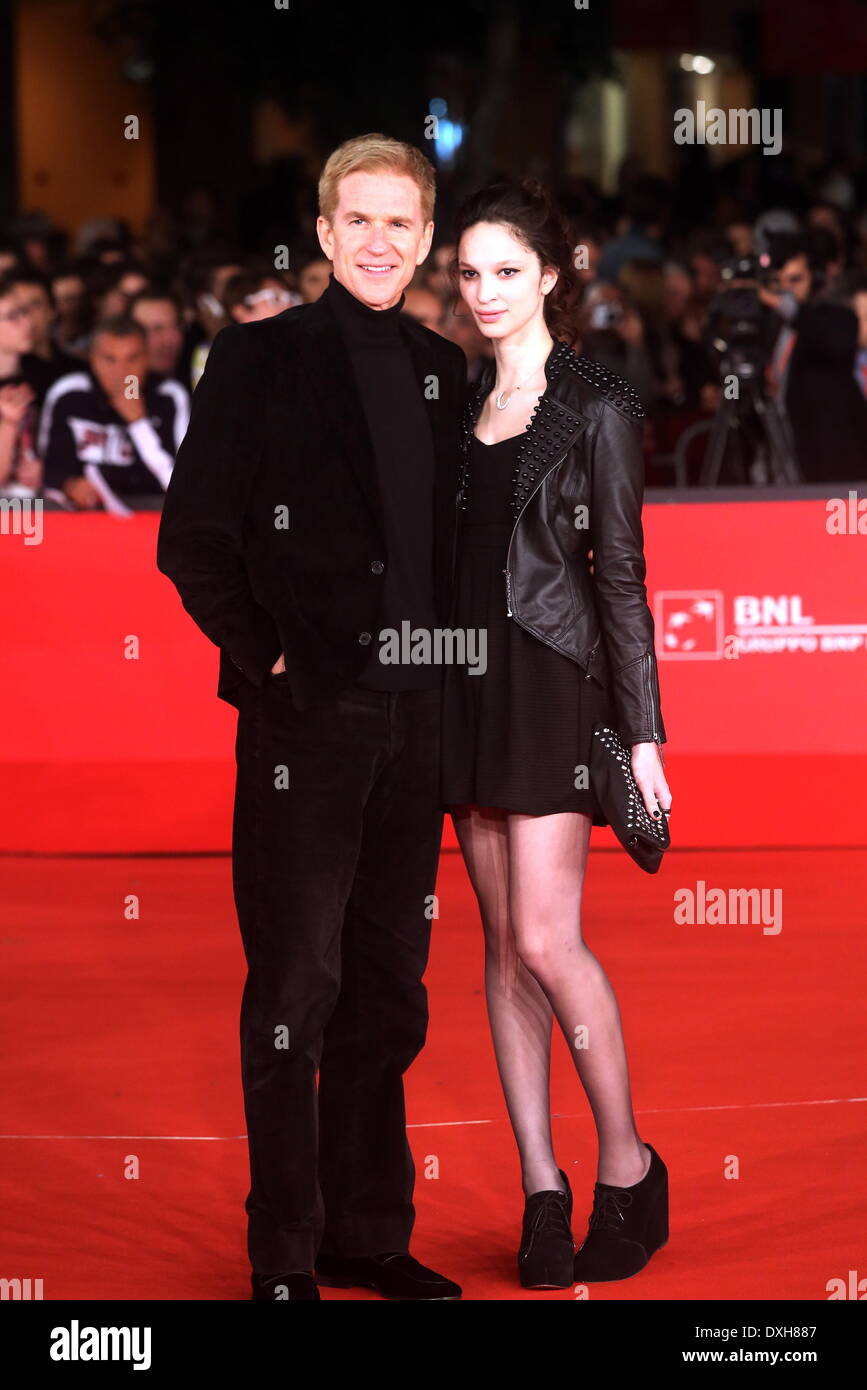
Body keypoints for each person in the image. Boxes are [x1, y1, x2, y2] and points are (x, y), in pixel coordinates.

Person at [156, 133, 467, 1302]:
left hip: (418, 714)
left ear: (425, 237)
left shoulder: (446, 371)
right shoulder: (257, 357)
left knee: (390, 989)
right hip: (307, 720)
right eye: (361, 220)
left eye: (403, 221)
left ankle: (368, 1232)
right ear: (326, 234)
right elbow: (191, 539)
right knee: (295, 988)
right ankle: (284, 1249)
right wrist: (271, 653)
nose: (382, 240)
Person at [440, 178, 672, 1289]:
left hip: (552, 682)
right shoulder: (456, 403)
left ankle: (628, 1168)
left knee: (544, 938)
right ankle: (542, 1184)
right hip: (464, 687)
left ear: (550, 275)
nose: (484, 291)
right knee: (496, 948)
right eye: (470, 272)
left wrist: (643, 735)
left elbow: (621, 576)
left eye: (505, 271)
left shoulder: (597, 404)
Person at [39, 316, 188, 513]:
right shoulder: (69, 394)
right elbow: (44, 470)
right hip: (83, 523)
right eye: (110, 359)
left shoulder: (169, 397)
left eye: (132, 358)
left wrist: (139, 423)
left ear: (147, 358)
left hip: (152, 522)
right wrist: (69, 485)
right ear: (92, 359)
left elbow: (180, 485)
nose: (122, 372)